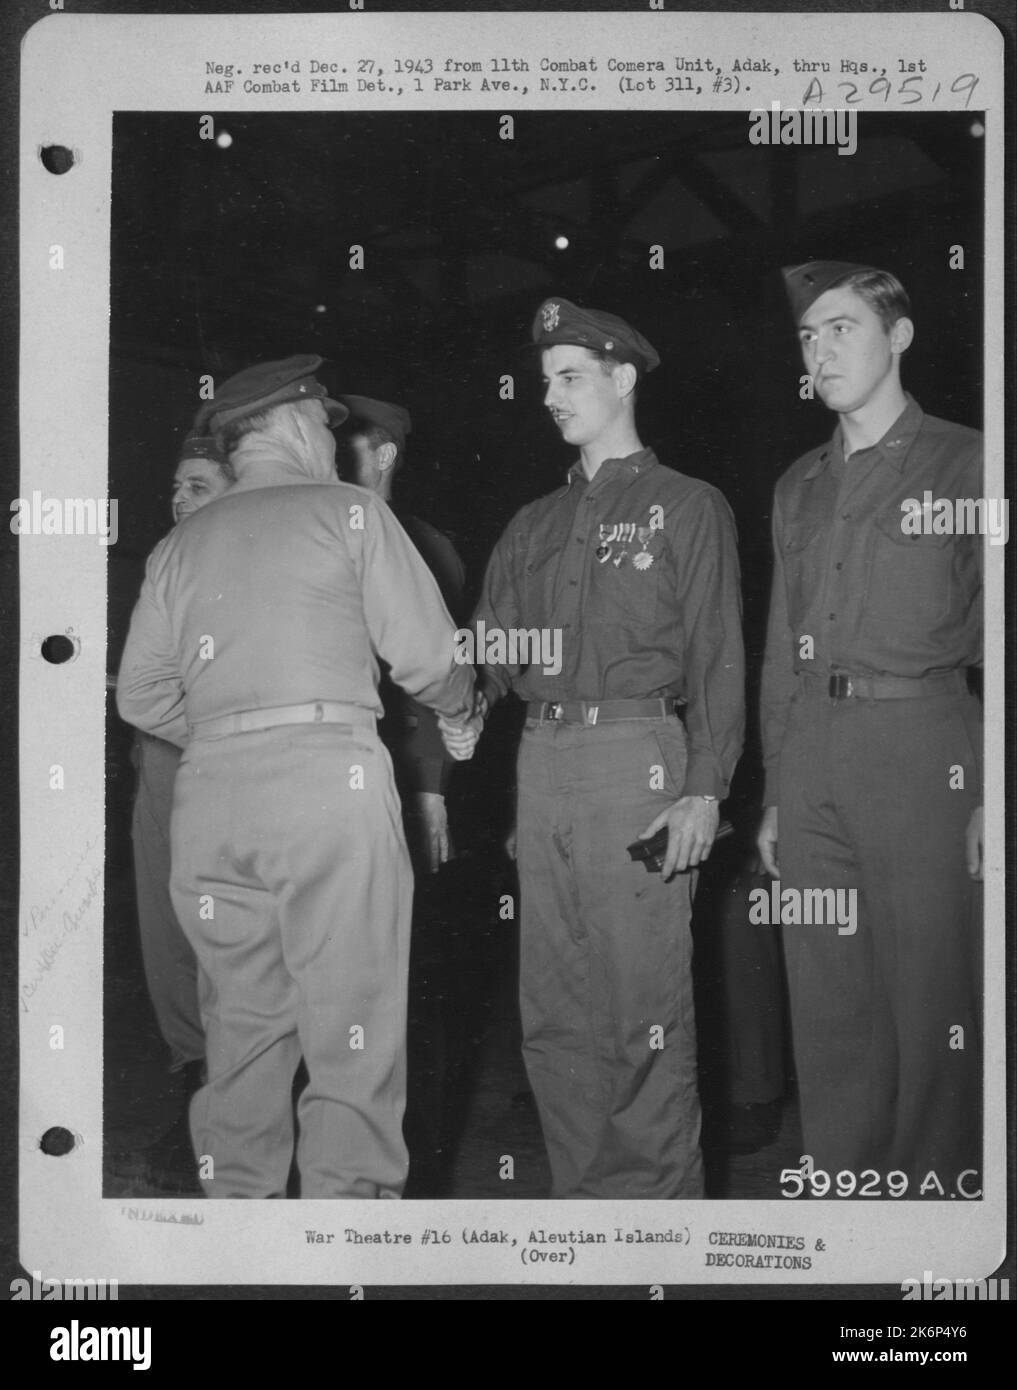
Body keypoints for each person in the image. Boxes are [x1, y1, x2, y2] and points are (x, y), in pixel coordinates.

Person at [117, 354, 476, 1199]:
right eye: (324, 422)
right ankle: (345, 1242)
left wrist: (222, 733)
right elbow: (427, 658)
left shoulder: (179, 544)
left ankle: (241, 1222)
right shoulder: (348, 513)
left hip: (210, 803)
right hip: (327, 788)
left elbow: (138, 693)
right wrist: (461, 710)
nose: (335, 438)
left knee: (240, 1029)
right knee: (352, 1028)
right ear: (285, 423)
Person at [452, 298, 745, 1199]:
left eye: (570, 377)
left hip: (638, 759)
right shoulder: (532, 523)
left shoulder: (686, 506)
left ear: (622, 380)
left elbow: (719, 656)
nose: (551, 396)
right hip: (541, 765)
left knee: (639, 1007)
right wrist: (462, 701)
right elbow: (493, 647)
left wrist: (703, 790)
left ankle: (657, 1226)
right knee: (553, 1006)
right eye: (544, 383)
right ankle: (584, 1217)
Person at [757, 261, 983, 1192]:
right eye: (808, 337)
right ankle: (843, 1194)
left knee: (931, 994)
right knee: (828, 992)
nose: (820, 351)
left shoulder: (970, 462)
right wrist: (775, 792)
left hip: (924, 746)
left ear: (899, 337)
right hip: (812, 749)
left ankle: (935, 1201)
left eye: (841, 328)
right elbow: (778, 645)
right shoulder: (796, 485)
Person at [132, 436, 235, 1086]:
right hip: (165, 752)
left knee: (230, 918)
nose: (177, 500)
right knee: (165, 917)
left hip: (236, 763)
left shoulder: (261, 558)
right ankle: (191, 1065)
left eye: (196, 486)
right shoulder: (164, 559)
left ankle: (242, 1075)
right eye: (175, 487)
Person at [338, 394, 467, 873]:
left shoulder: (427, 548)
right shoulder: (315, 529)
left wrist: (432, 788)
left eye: (346, 444)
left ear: (385, 456)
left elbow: (443, 671)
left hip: (397, 767)